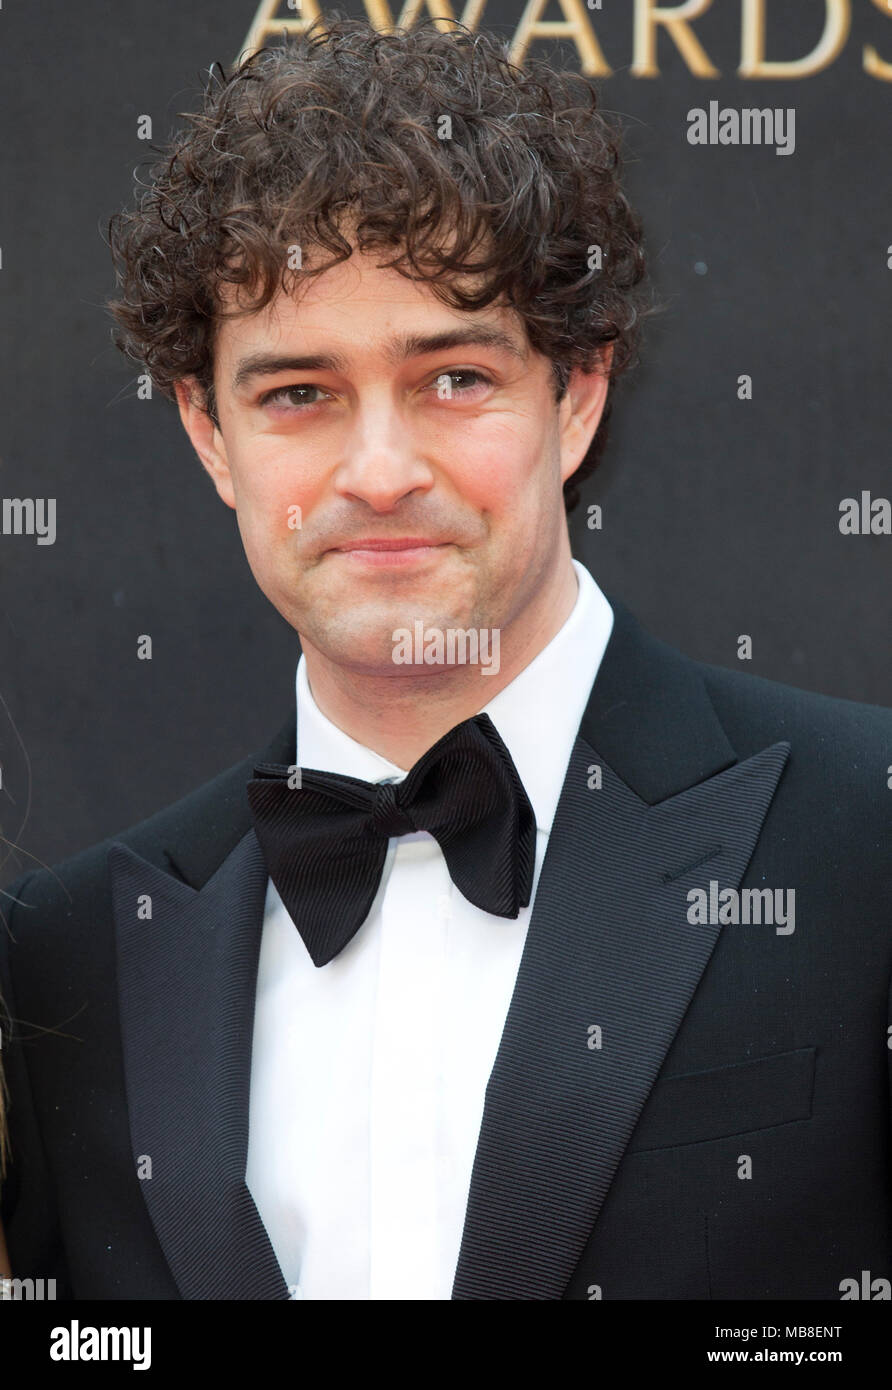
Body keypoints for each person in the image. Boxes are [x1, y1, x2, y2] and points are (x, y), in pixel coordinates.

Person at [0, 16, 890, 1302]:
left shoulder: (864, 835)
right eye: (298, 394)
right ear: (207, 431)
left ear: (576, 392)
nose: (379, 472)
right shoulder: (69, 959)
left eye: (454, 379)